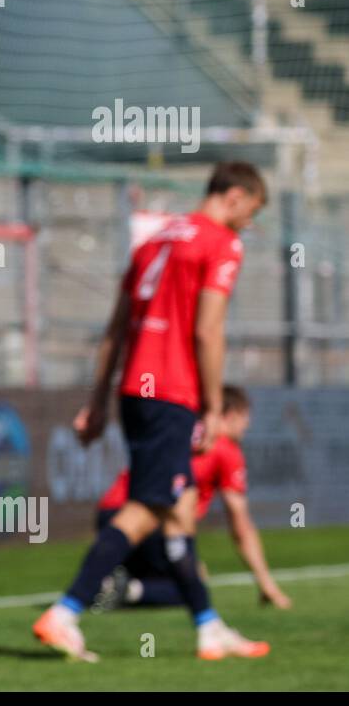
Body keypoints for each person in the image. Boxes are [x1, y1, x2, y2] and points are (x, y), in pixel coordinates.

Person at [32, 162, 270, 661]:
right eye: (251, 210)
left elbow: (116, 331)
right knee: (145, 510)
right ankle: (67, 611)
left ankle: (208, 627)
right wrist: (210, 405)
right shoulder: (220, 243)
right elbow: (208, 330)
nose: (249, 223)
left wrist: (97, 403)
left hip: (134, 392)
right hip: (173, 393)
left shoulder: (152, 243)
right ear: (233, 196)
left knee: (176, 510)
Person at [93, 384, 292, 611]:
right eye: (245, 417)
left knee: (172, 571)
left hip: (110, 511)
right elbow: (241, 524)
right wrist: (266, 583)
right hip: (151, 520)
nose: (247, 425)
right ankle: (129, 589)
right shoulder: (224, 449)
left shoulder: (178, 429)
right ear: (231, 414)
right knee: (193, 585)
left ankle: (108, 583)